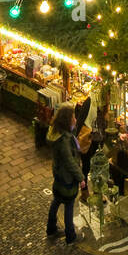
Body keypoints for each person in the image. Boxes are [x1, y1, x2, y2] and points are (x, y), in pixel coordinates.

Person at [46, 103, 84, 245]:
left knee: (56, 200)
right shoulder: (64, 141)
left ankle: (51, 228)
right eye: (73, 117)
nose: (75, 119)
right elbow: (70, 162)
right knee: (69, 205)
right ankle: (70, 235)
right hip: (67, 178)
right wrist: (81, 178)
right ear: (67, 120)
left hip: (58, 176)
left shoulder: (58, 134)